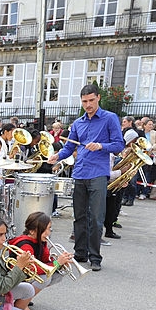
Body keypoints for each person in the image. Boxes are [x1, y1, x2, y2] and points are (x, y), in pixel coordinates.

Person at [47, 83, 125, 270]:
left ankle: (95, 257)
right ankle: (80, 252)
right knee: (79, 216)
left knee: (96, 217)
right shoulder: (78, 123)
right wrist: (58, 156)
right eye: (84, 101)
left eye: (91, 100)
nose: (88, 104)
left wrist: (101, 146)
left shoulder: (109, 118)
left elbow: (119, 145)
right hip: (80, 172)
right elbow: (69, 147)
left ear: (98, 98)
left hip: (98, 173)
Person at [8, 211, 75, 308]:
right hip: (18, 278)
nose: (48, 232)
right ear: (32, 231)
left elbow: (45, 260)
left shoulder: (40, 240)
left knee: (58, 275)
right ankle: (21, 304)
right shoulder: (26, 245)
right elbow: (34, 269)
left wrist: (61, 263)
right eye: (45, 230)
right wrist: (57, 263)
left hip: (27, 277)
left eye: (49, 229)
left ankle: (25, 297)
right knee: (44, 278)